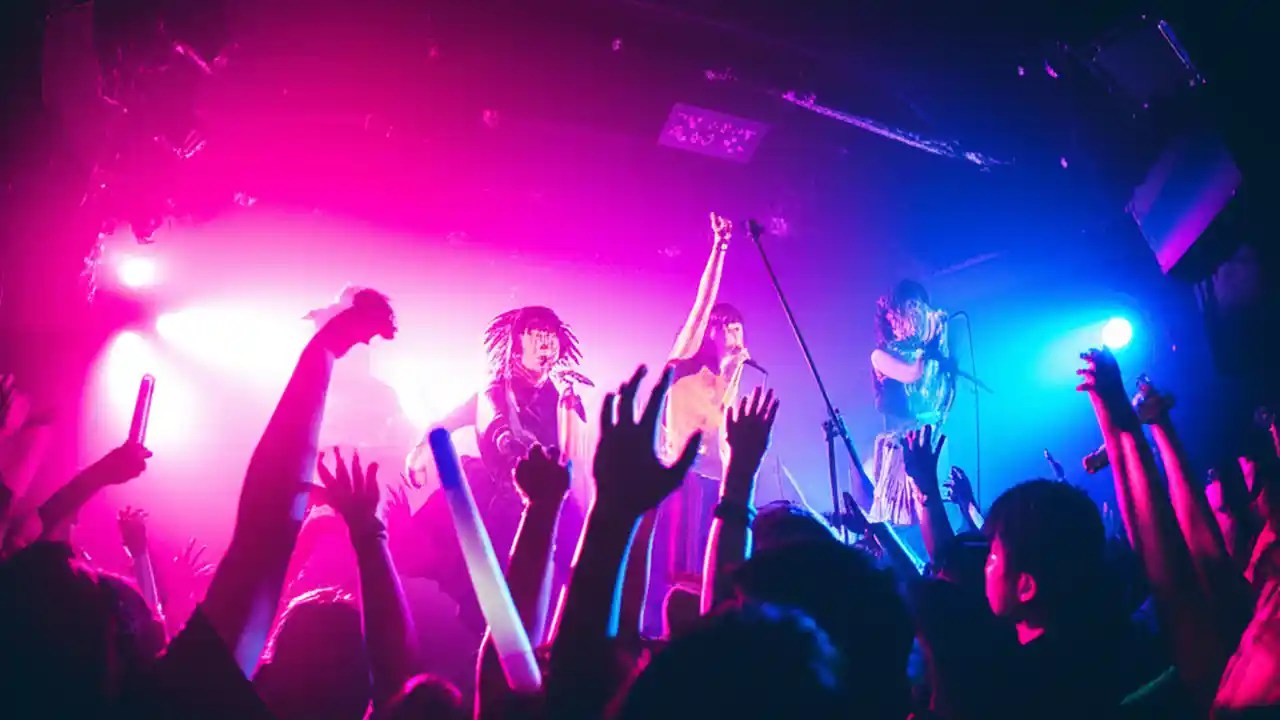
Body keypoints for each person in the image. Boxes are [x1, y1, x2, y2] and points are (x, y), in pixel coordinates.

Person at [407, 306, 587, 633]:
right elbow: (456, 423)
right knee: (492, 584)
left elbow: (573, 451)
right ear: (516, 342)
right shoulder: (493, 391)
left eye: (550, 334)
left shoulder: (559, 395)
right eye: (536, 333)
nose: (545, 341)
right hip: (500, 498)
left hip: (546, 497)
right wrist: (421, 451)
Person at [660, 212, 752, 581]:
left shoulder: (729, 371)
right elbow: (702, 304)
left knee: (714, 565)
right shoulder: (682, 362)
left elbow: (719, 422)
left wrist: (731, 371)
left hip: (716, 479)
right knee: (678, 567)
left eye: (739, 328)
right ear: (711, 332)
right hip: (681, 475)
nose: (734, 334)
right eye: (727, 327)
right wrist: (721, 246)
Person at [866, 280, 955, 527]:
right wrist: (928, 346)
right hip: (904, 449)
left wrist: (941, 342)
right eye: (912, 306)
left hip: (933, 441)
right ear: (894, 316)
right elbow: (911, 374)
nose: (919, 312)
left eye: (921, 306)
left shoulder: (931, 354)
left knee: (940, 515)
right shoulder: (881, 356)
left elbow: (944, 393)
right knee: (911, 521)